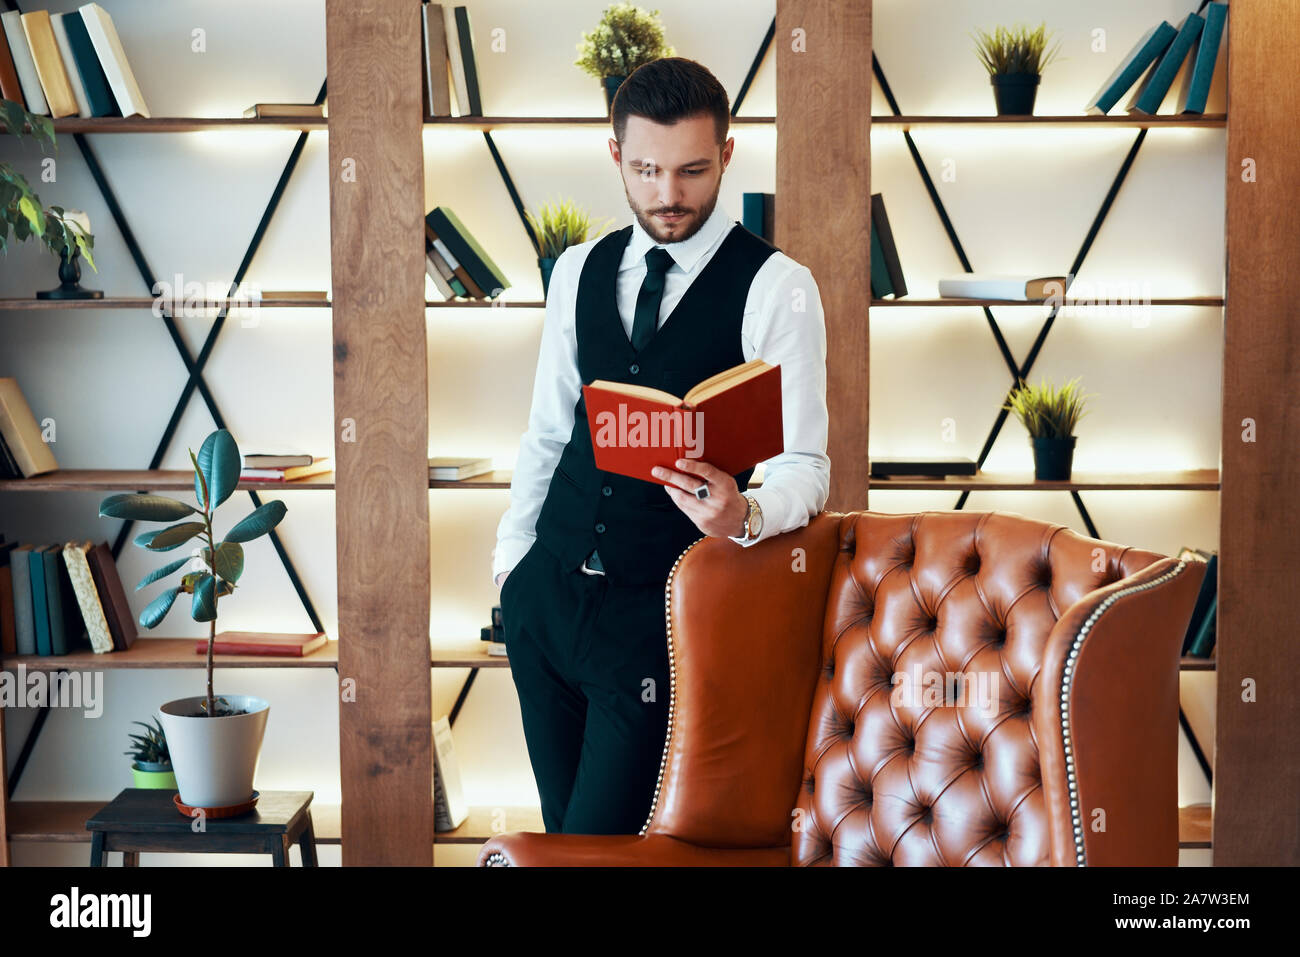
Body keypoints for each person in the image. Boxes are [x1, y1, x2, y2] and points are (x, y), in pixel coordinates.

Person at [490, 56, 830, 835]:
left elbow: (806, 466)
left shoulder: (778, 287)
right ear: (615, 155)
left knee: (598, 845)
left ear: (728, 155)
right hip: (547, 600)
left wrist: (745, 512)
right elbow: (547, 429)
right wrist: (513, 569)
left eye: (691, 171)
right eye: (645, 169)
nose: (668, 195)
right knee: (559, 838)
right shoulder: (577, 269)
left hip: (660, 619)